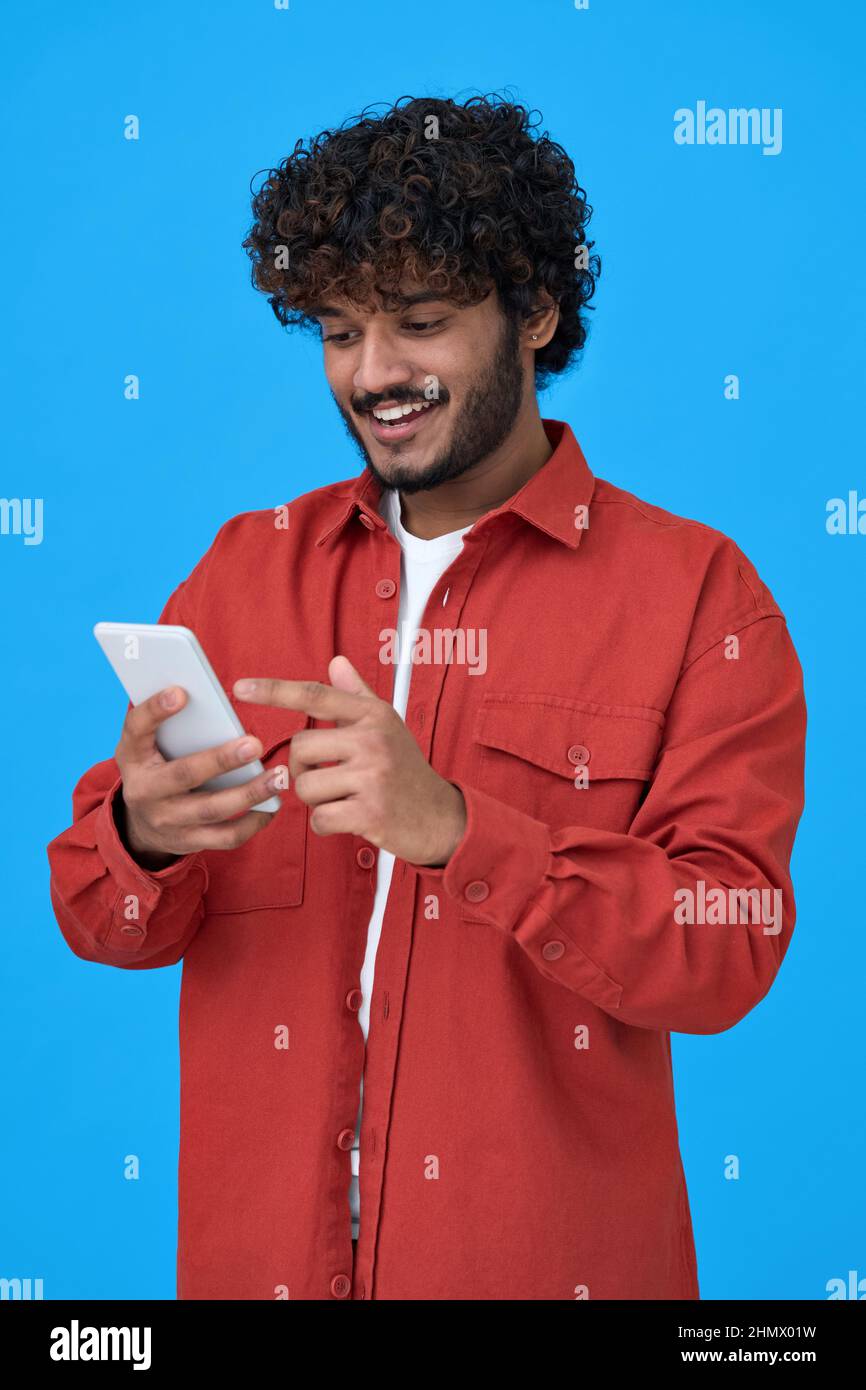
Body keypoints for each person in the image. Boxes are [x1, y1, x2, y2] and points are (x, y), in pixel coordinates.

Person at [47, 93, 806, 1301]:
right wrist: (140, 837)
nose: (374, 373)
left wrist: (461, 831)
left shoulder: (697, 598)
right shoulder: (244, 571)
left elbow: (729, 943)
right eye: (339, 331)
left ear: (535, 313)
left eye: (419, 323)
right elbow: (98, 918)